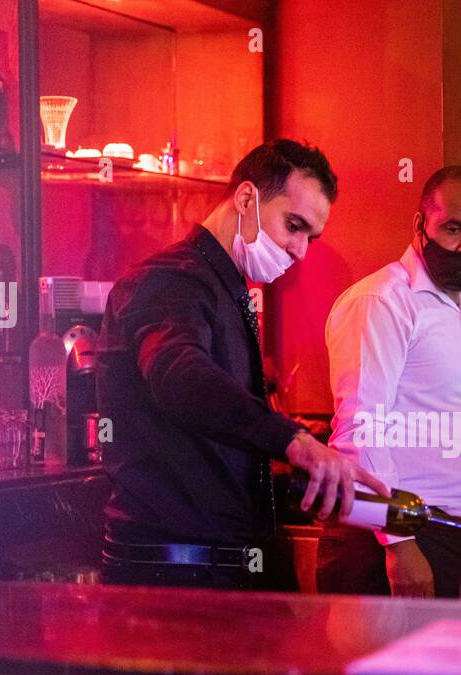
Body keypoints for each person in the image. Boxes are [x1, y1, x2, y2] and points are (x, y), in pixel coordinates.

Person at [96, 139, 388, 589]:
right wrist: (293, 440)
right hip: (172, 569)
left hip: (219, 560)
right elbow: (179, 375)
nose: (300, 250)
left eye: (310, 236)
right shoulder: (169, 281)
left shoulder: (226, 287)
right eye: (294, 226)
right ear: (247, 198)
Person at [318, 166, 461, 599]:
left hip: (455, 539)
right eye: (454, 228)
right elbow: (361, 430)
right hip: (392, 543)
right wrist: (400, 546)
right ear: (421, 225)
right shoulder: (381, 300)